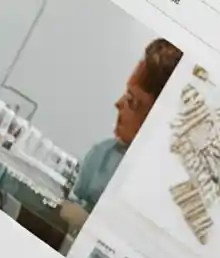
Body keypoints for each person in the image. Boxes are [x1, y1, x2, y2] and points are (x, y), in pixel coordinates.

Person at [69, 38, 184, 213]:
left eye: (132, 100)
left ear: (156, 118)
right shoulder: (102, 154)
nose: (118, 103)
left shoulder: (164, 183)